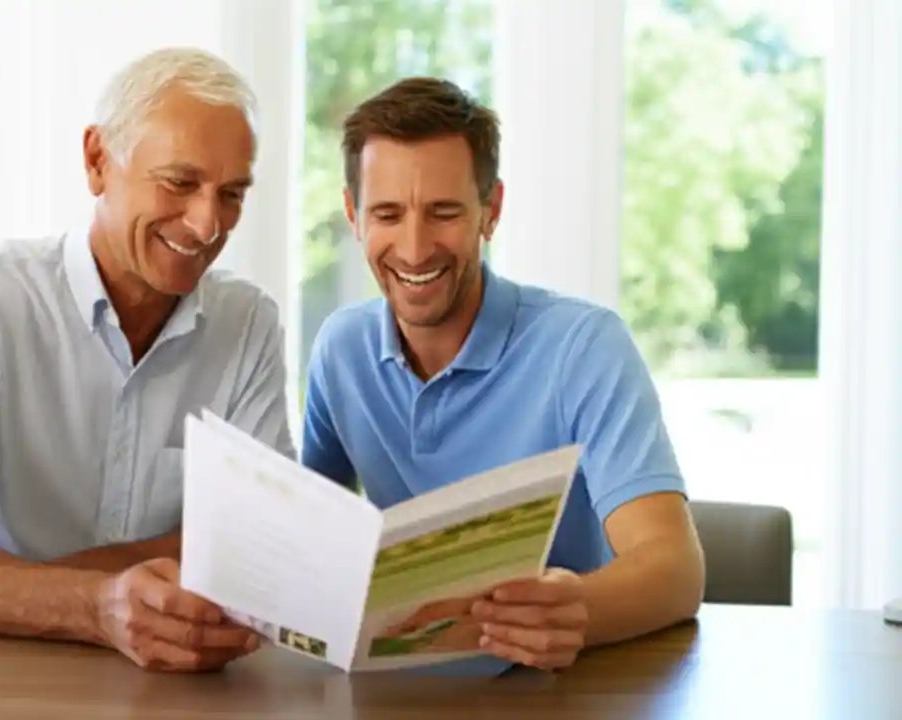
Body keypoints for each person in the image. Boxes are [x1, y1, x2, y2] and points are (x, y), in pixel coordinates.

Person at [0, 47, 293, 673]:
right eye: (179, 182)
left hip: (171, 685)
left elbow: (258, 547)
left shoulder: (247, 322)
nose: (207, 224)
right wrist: (97, 604)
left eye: (231, 194)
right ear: (98, 160)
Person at [302, 77, 706, 671]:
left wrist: (579, 610)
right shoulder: (341, 349)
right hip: (401, 692)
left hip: (560, 689)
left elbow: (675, 569)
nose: (414, 249)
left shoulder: (584, 346)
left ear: (490, 211)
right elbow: (309, 539)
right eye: (387, 213)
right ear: (353, 215)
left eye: (443, 212)